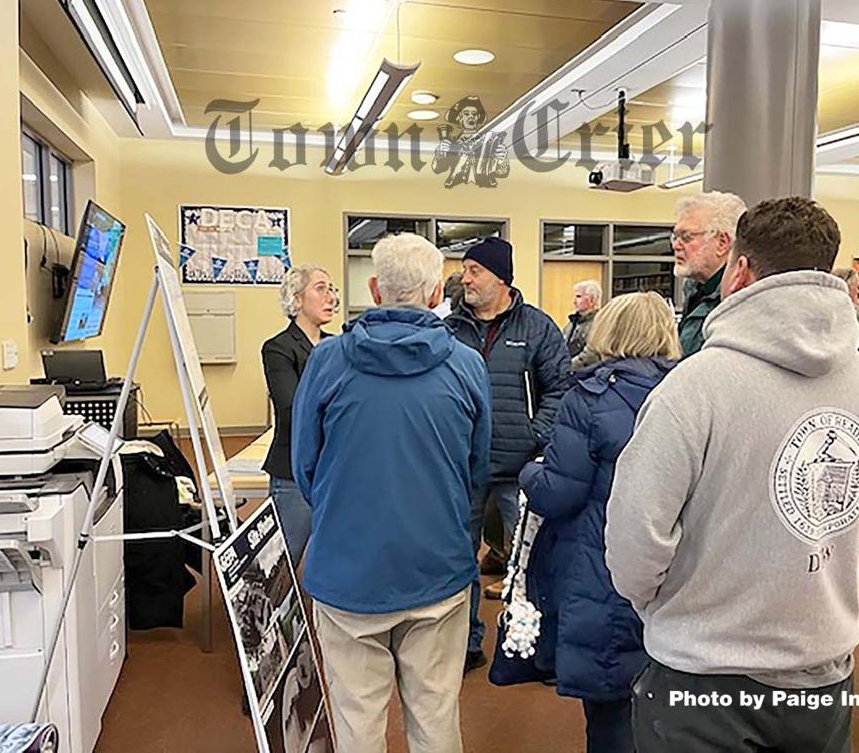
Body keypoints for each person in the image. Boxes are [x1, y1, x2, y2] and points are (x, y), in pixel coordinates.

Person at [605, 197, 859, 753]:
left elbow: (633, 541)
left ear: (739, 269)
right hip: (822, 668)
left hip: (702, 675)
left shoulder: (694, 387)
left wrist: (664, 608)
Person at [291, 234, 491, 753]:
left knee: (357, 722)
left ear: (375, 289)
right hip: (438, 568)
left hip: (347, 573)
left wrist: (345, 511)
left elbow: (304, 468)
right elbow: (477, 467)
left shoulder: (328, 362)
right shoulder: (467, 365)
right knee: (436, 714)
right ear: (433, 296)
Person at [520, 292, 679, 753]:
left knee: (610, 712)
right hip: (674, 571)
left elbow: (558, 492)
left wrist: (530, 470)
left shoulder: (587, 399)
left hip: (602, 566)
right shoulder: (690, 392)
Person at [444, 237, 571, 672]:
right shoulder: (450, 329)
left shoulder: (537, 328)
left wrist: (536, 436)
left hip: (520, 471)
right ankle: (466, 646)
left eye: (475, 270)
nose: (466, 278)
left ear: (502, 277)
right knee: (460, 561)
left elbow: (559, 387)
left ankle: (530, 650)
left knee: (529, 564)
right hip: (463, 468)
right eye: (466, 269)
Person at [261, 264, 336, 566]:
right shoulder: (278, 348)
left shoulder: (337, 346)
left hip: (333, 467)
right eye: (321, 288)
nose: (330, 296)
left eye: (332, 289)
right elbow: (292, 408)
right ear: (296, 299)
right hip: (293, 469)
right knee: (283, 561)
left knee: (332, 557)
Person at [671, 191, 747, 357]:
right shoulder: (695, 290)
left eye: (686, 237)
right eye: (675, 236)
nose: (676, 245)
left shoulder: (740, 300)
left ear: (722, 243)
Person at [562, 280, 602, 369]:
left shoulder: (599, 324)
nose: (574, 302)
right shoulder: (571, 324)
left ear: (592, 300)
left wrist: (567, 367)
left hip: (586, 375)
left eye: (579, 297)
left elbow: (591, 355)